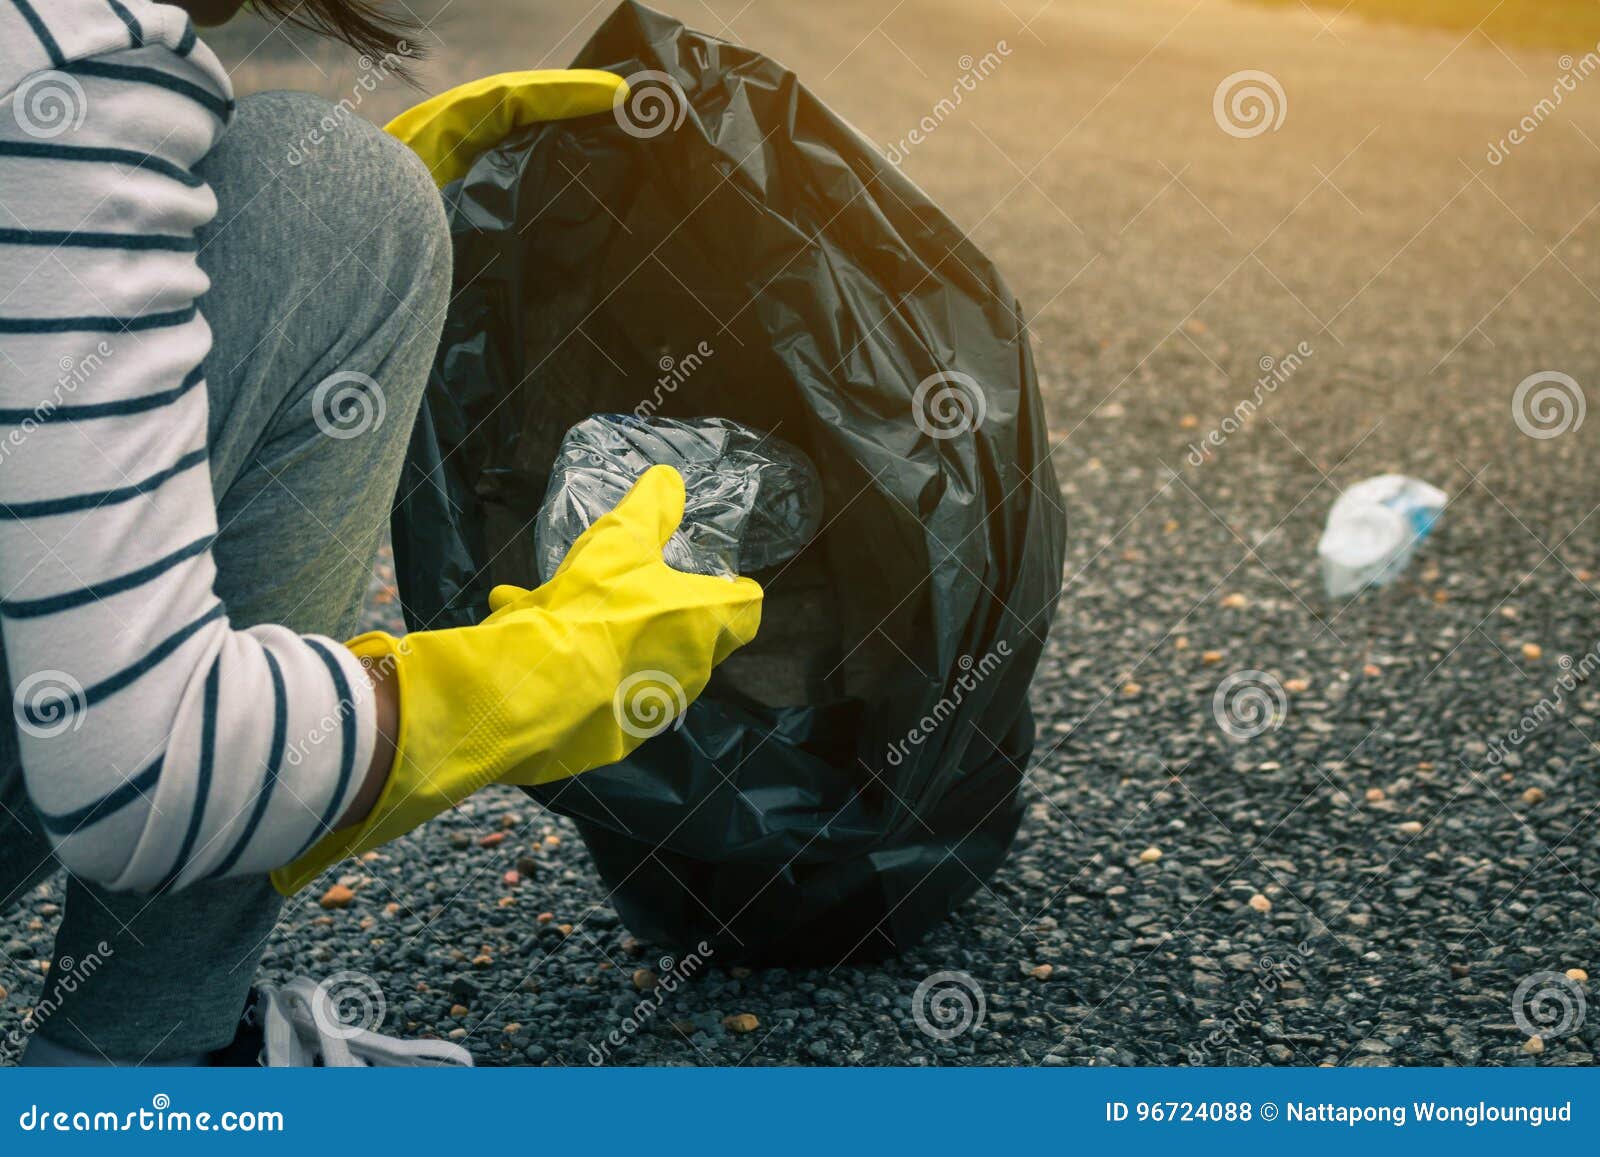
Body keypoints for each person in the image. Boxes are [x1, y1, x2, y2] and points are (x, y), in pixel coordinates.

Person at [0, 0, 762, 1066]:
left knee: (325, 206)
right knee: (340, 196)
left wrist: (295, 269)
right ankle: (141, 1073)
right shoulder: (61, 69)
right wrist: (535, 676)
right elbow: (140, 776)